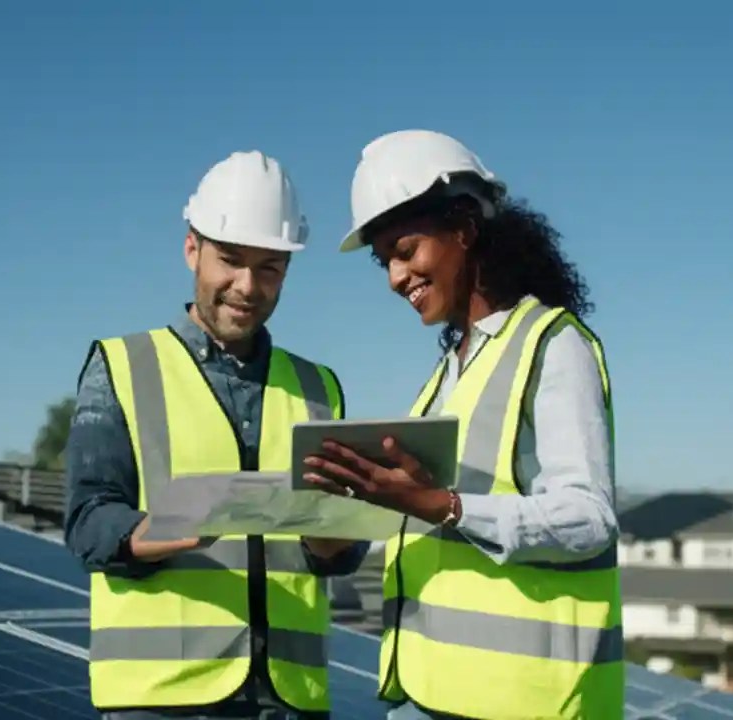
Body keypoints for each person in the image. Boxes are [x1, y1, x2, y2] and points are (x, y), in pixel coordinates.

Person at [302, 130, 624, 720]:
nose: (396, 278)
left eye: (406, 250)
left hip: (526, 704)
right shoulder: (445, 377)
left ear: (464, 229)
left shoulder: (553, 344)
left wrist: (442, 504)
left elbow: (589, 518)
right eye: (385, 262)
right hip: (428, 696)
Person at [64, 149, 371, 719]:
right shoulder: (123, 366)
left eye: (270, 267)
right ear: (191, 249)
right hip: (162, 701)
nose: (247, 286)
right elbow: (87, 524)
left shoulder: (318, 387)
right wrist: (167, 528)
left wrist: (334, 540)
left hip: (289, 699)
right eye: (230, 260)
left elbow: (339, 550)